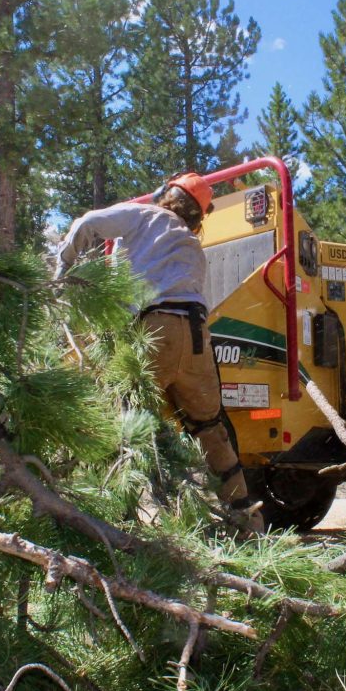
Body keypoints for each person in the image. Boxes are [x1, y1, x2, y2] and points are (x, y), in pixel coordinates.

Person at [55, 174, 264, 532]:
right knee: (210, 428)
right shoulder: (190, 244)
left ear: (165, 195)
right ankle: (247, 520)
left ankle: (118, 523)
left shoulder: (144, 215)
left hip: (152, 330)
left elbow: (88, 222)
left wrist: (63, 266)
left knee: (123, 424)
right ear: (199, 216)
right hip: (196, 336)